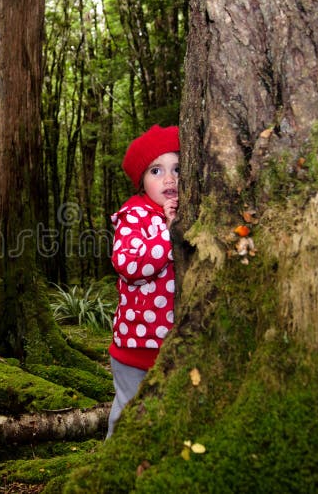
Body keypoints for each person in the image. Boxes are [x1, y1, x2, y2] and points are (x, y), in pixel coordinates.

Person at [106, 124, 179, 438]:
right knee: (128, 414)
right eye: (156, 170)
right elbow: (129, 265)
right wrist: (168, 234)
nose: (169, 179)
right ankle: (112, 459)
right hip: (136, 346)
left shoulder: (183, 211)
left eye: (177, 169)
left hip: (175, 345)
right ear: (141, 181)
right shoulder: (134, 215)